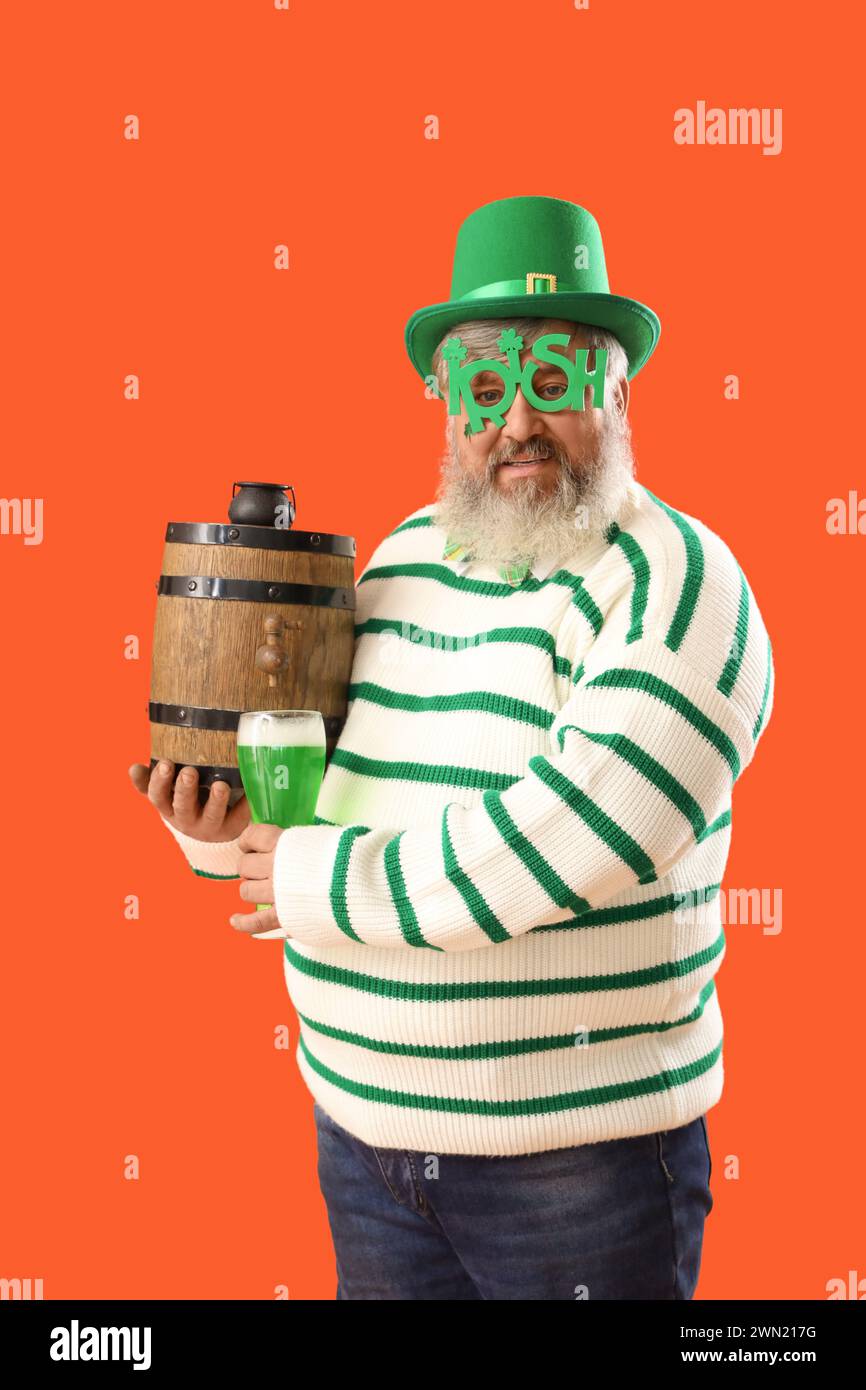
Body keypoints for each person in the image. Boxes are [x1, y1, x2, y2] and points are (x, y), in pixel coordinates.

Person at [130, 196, 774, 1299]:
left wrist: (303, 875)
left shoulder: (678, 589)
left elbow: (566, 837)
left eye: (555, 381)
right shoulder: (403, 554)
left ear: (616, 389)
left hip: (575, 1177)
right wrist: (225, 832)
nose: (516, 419)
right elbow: (325, 791)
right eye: (484, 386)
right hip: (364, 1146)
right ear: (448, 407)